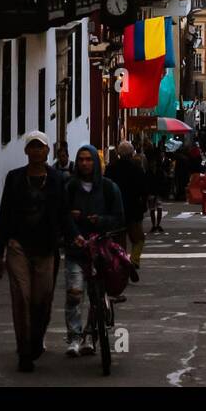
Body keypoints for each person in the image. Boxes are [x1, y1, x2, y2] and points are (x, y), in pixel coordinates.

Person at [0, 131, 72, 372]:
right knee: (21, 297)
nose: (37, 151)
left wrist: (73, 237)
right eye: (32, 147)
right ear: (26, 151)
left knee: (42, 298)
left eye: (41, 147)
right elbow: (4, 214)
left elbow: (64, 213)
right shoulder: (15, 178)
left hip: (46, 247)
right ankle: (24, 350)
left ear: (48, 151)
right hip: (18, 245)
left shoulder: (58, 179)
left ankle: (37, 337)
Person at [65, 144, 125, 357]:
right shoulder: (70, 187)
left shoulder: (109, 188)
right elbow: (61, 215)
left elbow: (119, 217)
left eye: (88, 159)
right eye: (81, 159)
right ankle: (73, 336)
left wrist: (101, 221)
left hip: (101, 250)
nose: (84, 163)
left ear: (95, 162)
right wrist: (73, 231)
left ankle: (91, 335)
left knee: (96, 296)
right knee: (74, 292)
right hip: (76, 249)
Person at [106, 140, 147, 273]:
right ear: (131, 154)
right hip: (134, 210)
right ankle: (134, 260)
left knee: (119, 240)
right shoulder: (137, 169)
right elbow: (143, 189)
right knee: (138, 238)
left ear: (118, 153)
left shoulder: (110, 168)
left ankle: (121, 262)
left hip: (115, 209)